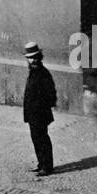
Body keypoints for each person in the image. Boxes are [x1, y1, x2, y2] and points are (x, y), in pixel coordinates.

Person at [23, 42, 58, 176]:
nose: (32, 60)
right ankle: (41, 163)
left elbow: (51, 94)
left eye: (34, 57)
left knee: (42, 139)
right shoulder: (33, 71)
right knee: (36, 139)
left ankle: (47, 166)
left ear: (39, 56)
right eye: (29, 57)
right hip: (33, 114)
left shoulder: (43, 73)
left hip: (40, 114)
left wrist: (42, 107)